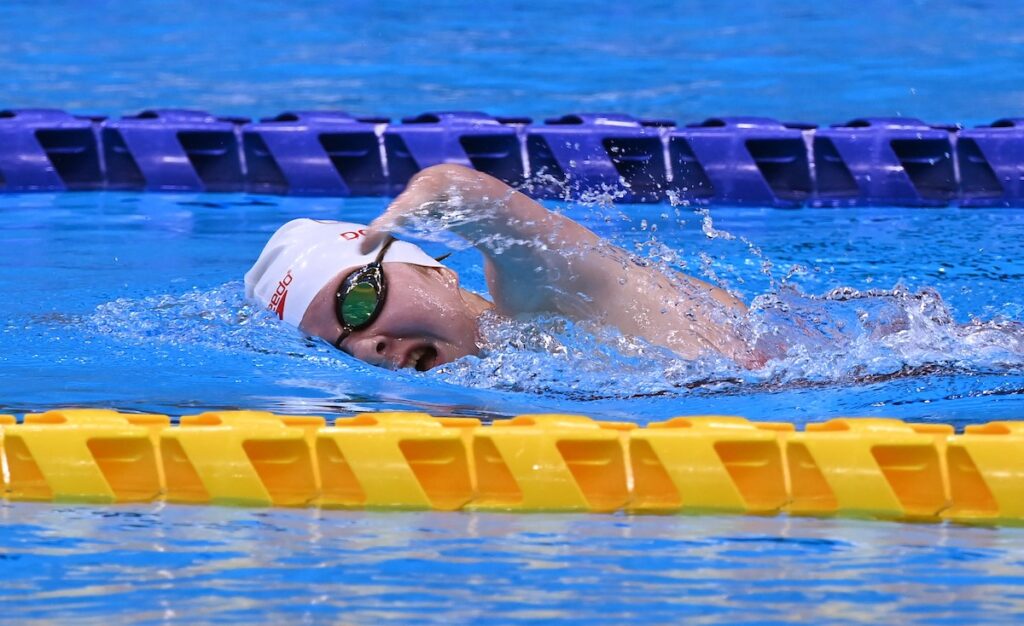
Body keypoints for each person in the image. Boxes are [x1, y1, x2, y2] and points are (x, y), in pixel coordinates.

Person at [245, 164, 763, 371]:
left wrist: (451, 194)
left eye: (356, 302)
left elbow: (521, 243)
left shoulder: (543, 302)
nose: (367, 346)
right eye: (336, 345)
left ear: (436, 271)